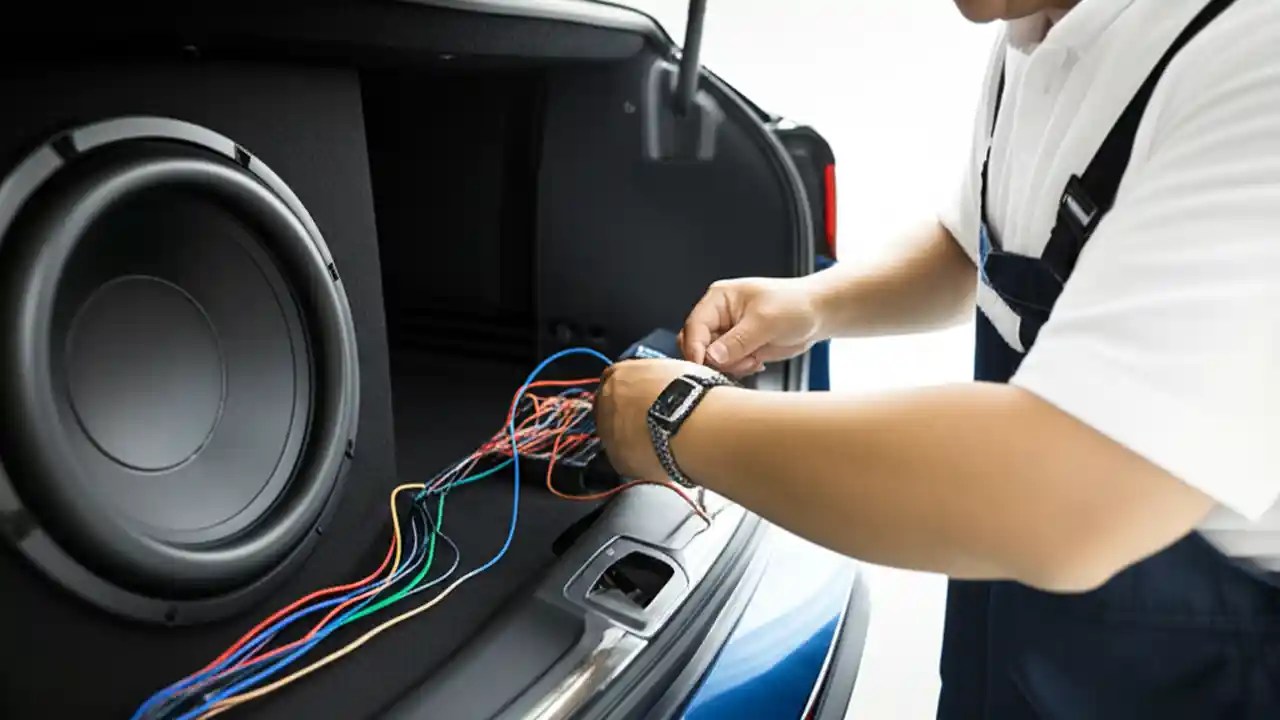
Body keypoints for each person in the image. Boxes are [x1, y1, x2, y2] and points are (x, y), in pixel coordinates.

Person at [592, 0, 1280, 717]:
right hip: (1017, 645)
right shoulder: (1028, 23)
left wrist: (678, 422)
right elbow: (982, 243)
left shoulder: (1257, 57)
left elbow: (1068, 497)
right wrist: (817, 303)